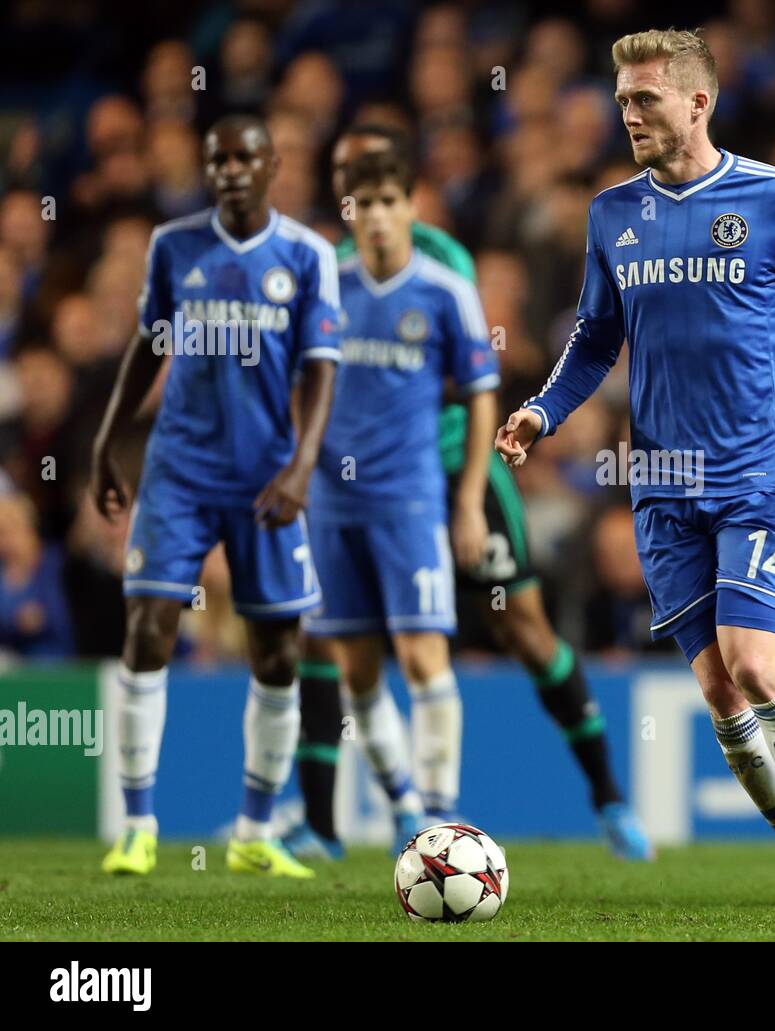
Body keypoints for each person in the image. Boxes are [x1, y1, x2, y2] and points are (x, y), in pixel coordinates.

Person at [496, 29, 775, 925]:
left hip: (754, 473)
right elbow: (595, 336)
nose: (629, 113)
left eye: (646, 97)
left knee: (758, 667)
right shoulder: (613, 212)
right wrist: (543, 409)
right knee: (720, 692)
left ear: (699, 102)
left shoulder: (774, 197)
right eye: (622, 100)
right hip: (661, 486)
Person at [284, 124, 652, 863]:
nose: (368, 204)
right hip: (358, 488)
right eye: (348, 181)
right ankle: (336, 820)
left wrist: (456, 474)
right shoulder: (329, 274)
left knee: (522, 625)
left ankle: (608, 796)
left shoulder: (441, 264)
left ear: (406, 197)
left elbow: (465, 374)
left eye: (382, 188)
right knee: (332, 640)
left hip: (454, 473)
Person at [91, 115, 340, 878]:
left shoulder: (308, 253)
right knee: (149, 628)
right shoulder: (174, 245)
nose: (230, 169)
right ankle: (136, 825)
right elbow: (147, 342)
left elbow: (323, 366)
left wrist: (302, 466)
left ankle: (253, 831)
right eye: (218, 158)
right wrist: (107, 439)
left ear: (272, 166)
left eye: (245, 157)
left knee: (277, 650)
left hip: (265, 475)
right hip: (181, 470)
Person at [300, 146, 498, 853]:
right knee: (355, 668)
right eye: (363, 204)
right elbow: (300, 386)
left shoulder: (446, 291)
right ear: (349, 213)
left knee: (422, 656)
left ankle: (440, 813)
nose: (377, 217)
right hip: (330, 502)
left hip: (411, 500)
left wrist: (469, 499)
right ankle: (406, 805)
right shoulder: (325, 286)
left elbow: (481, 397)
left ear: (412, 208)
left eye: (390, 202)